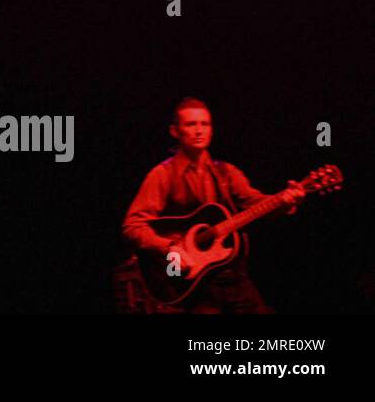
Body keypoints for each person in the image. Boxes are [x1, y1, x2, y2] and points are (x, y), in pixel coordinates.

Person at [122, 97, 303, 313]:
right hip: (194, 285)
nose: (199, 130)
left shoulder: (226, 173)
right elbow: (133, 225)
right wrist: (169, 248)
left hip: (234, 277)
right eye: (191, 124)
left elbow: (258, 203)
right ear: (175, 131)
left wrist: (285, 201)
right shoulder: (162, 175)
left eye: (204, 124)